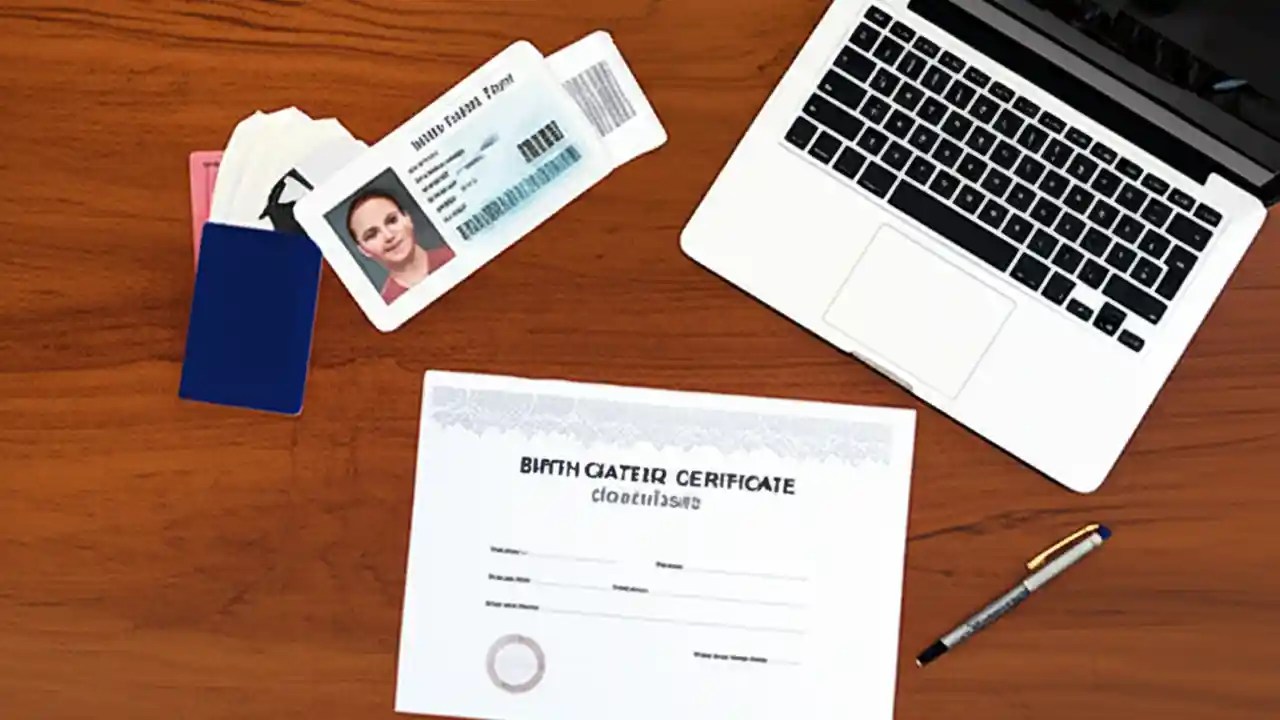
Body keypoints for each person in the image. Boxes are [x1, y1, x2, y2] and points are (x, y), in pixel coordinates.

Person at [345, 189, 456, 304]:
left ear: (407, 218)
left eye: (392, 220)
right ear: (363, 250)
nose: (388, 236)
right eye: (372, 235)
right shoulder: (388, 305)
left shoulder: (456, 255)